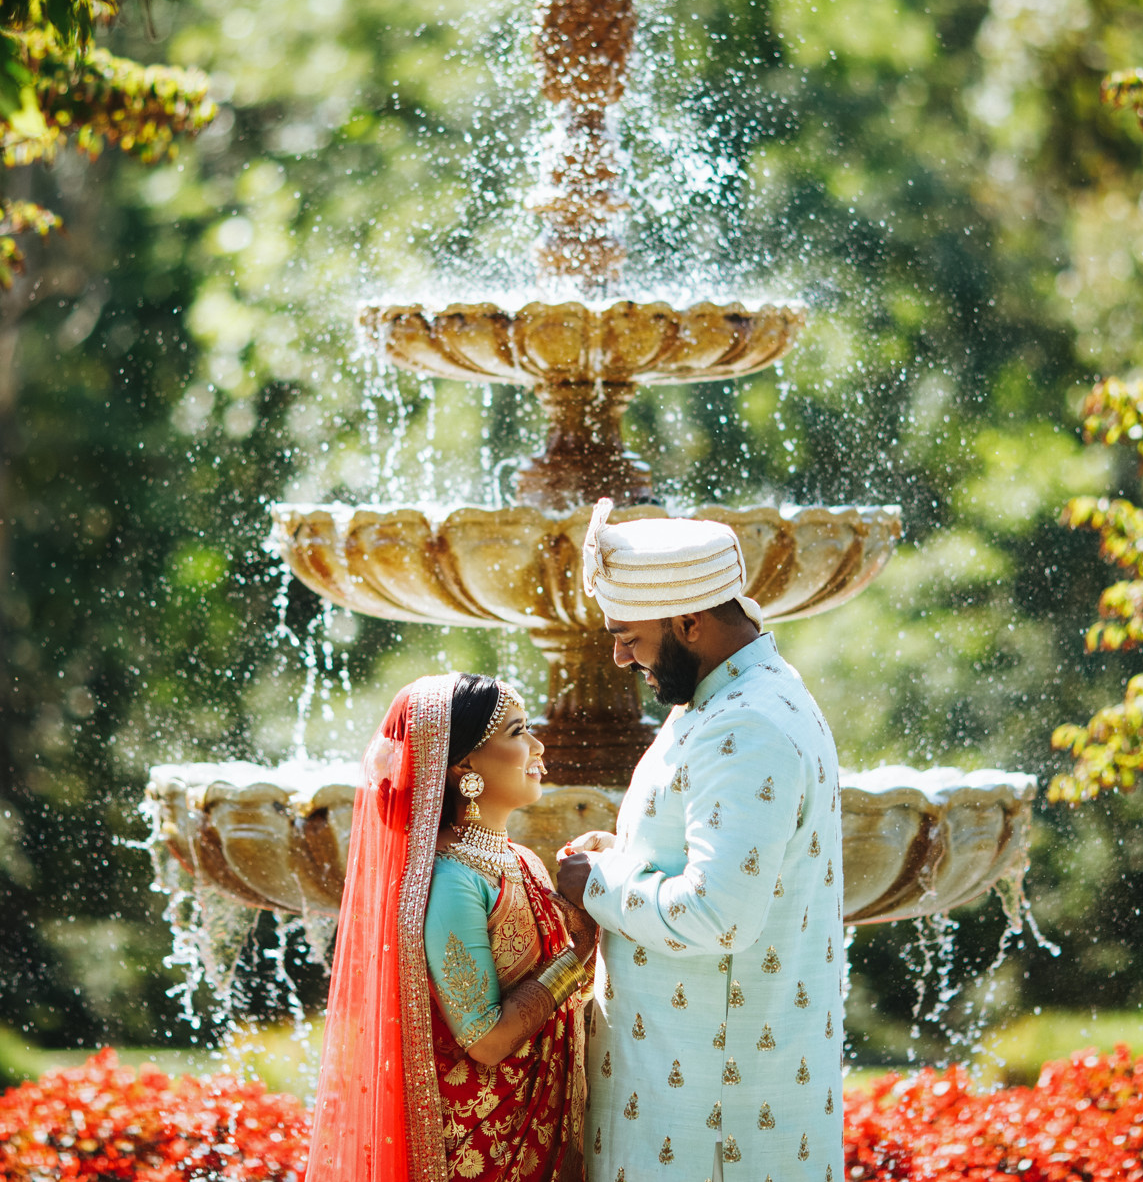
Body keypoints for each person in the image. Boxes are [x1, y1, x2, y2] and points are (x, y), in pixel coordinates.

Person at [556, 499, 845, 1182]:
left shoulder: (746, 725)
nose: (619, 654)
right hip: (696, 1097)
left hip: (713, 1127)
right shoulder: (732, 696)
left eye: (630, 634)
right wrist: (624, 854)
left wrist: (594, 883)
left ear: (690, 621)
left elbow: (717, 913)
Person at [308, 672, 598, 1182]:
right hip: (486, 1151)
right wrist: (576, 958)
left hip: (547, 1134)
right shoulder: (450, 881)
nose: (538, 744)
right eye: (517, 731)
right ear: (464, 764)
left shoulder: (521, 861)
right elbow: (485, 1039)